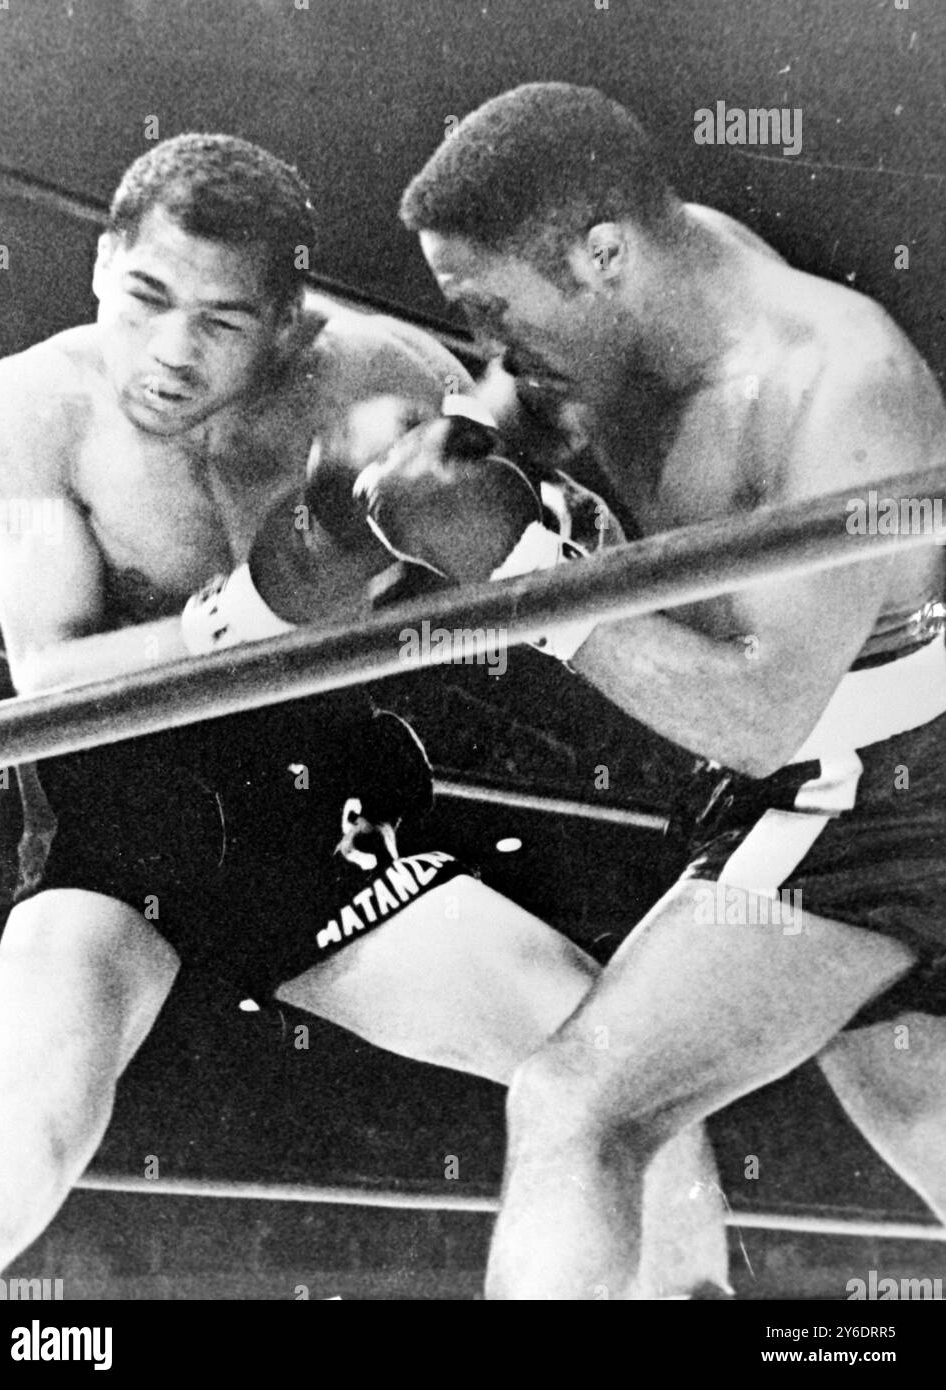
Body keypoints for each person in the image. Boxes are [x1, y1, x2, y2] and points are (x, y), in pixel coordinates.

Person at [0, 132, 724, 1299]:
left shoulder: (383, 375)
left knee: (621, 1079)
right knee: (25, 1137)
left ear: (287, 323)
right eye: (146, 298)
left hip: (319, 814)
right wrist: (250, 610)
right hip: (121, 822)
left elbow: (557, 487)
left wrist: (546, 514)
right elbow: (47, 681)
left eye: (219, 322)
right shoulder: (34, 405)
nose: (169, 352)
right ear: (100, 267)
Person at [390, 82, 946, 1299]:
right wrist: (449, 450)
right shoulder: (638, 299)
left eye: (491, 309)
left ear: (601, 254)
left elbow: (758, 721)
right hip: (834, 775)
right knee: (922, 1115)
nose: (491, 344)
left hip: (868, 785)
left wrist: (528, 575)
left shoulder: (836, 388)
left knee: (577, 1101)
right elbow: (517, 407)